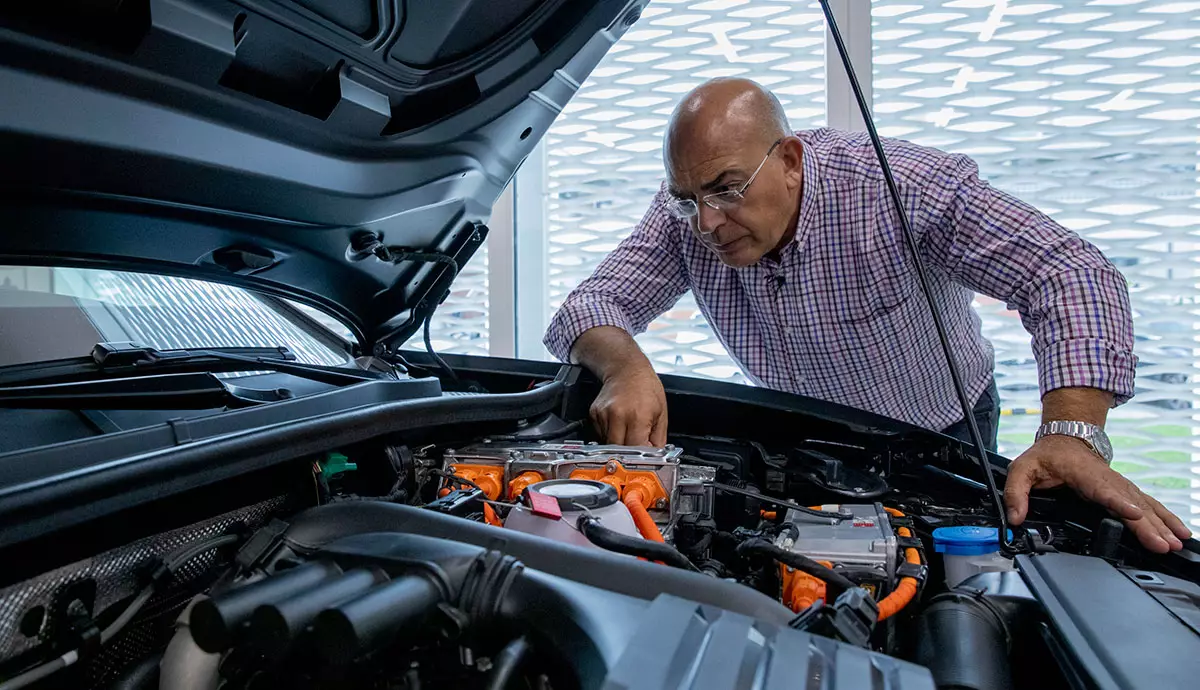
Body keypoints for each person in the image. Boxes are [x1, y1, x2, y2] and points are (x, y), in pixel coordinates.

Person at [543, 77, 1191, 554]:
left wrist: (1073, 433)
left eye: (728, 190)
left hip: (944, 432)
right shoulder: (686, 211)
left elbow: (1067, 271)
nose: (707, 222)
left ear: (791, 161)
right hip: (805, 440)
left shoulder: (898, 186)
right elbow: (591, 306)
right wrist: (626, 367)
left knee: (956, 571)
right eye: (689, 200)